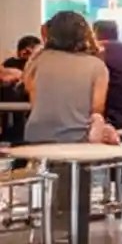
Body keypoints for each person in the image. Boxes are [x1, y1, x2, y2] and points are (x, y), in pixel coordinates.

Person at [23, 11, 109, 144]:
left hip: (36, 136)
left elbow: (34, 99)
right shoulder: (97, 66)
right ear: (84, 34)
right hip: (76, 139)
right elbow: (97, 110)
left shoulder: (39, 61)